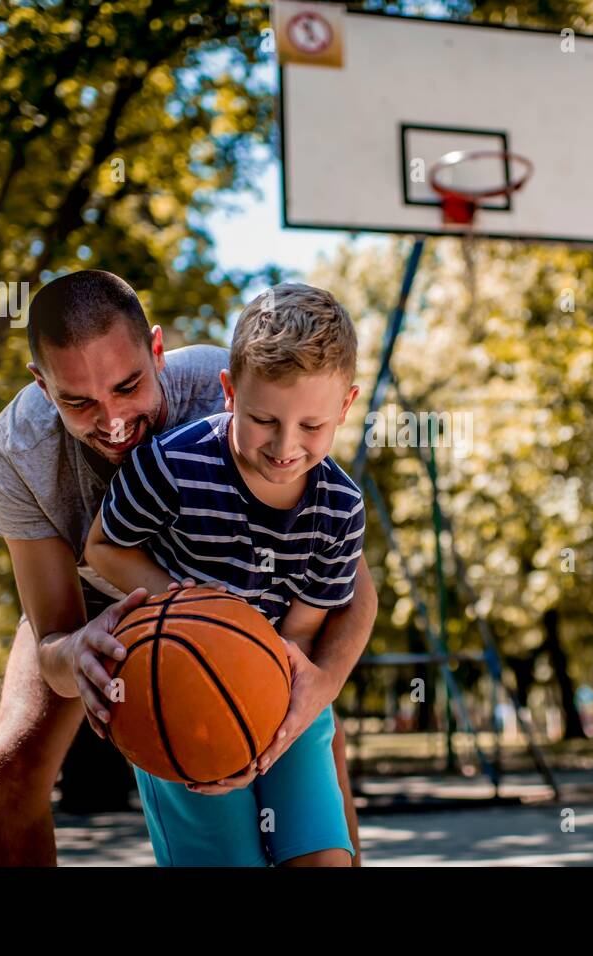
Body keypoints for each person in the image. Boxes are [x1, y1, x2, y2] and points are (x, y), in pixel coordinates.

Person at [0, 270, 375, 865]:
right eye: (78, 401)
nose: (111, 420)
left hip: (243, 599)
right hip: (97, 599)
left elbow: (348, 588)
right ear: (42, 385)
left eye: (128, 385)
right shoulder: (17, 449)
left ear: (157, 352)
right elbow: (55, 635)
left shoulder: (247, 394)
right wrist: (83, 653)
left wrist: (320, 685)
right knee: (13, 765)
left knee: (312, 729)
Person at [84, 281, 363, 865]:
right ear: (229, 392)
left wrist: (263, 733)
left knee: (322, 860)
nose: (286, 447)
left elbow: (303, 633)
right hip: (178, 690)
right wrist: (189, 606)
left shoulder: (340, 507)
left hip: (285, 692)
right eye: (264, 419)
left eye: (312, 426)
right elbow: (103, 547)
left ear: (346, 406)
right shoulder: (171, 464)